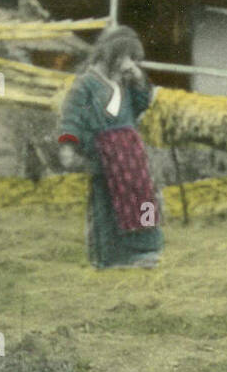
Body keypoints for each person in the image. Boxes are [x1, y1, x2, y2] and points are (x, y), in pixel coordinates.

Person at [57, 25, 164, 270]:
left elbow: (139, 106)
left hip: (131, 156)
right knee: (108, 205)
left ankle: (145, 251)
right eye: (124, 57)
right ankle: (111, 258)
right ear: (110, 54)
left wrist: (138, 80)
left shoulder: (124, 84)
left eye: (132, 58)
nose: (128, 63)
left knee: (142, 199)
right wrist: (68, 147)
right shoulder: (85, 85)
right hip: (104, 155)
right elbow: (71, 117)